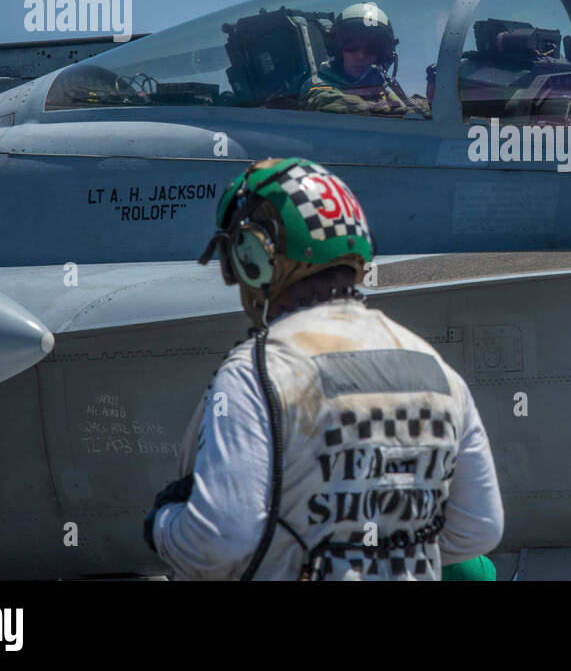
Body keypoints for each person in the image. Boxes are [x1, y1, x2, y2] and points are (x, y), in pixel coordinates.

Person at [145, 156, 503, 579]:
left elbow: (220, 542)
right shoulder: (438, 371)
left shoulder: (256, 373)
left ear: (252, 255)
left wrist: (163, 522)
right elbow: (479, 529)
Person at [301, 2, 429, 117]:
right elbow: (329, 101)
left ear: (381, 54)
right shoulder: (318, 84)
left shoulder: (377, 86)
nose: (360, 56)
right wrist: (374, 108)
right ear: (337, 48)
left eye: (372, 48)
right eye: (352, 46)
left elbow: (408, 106)